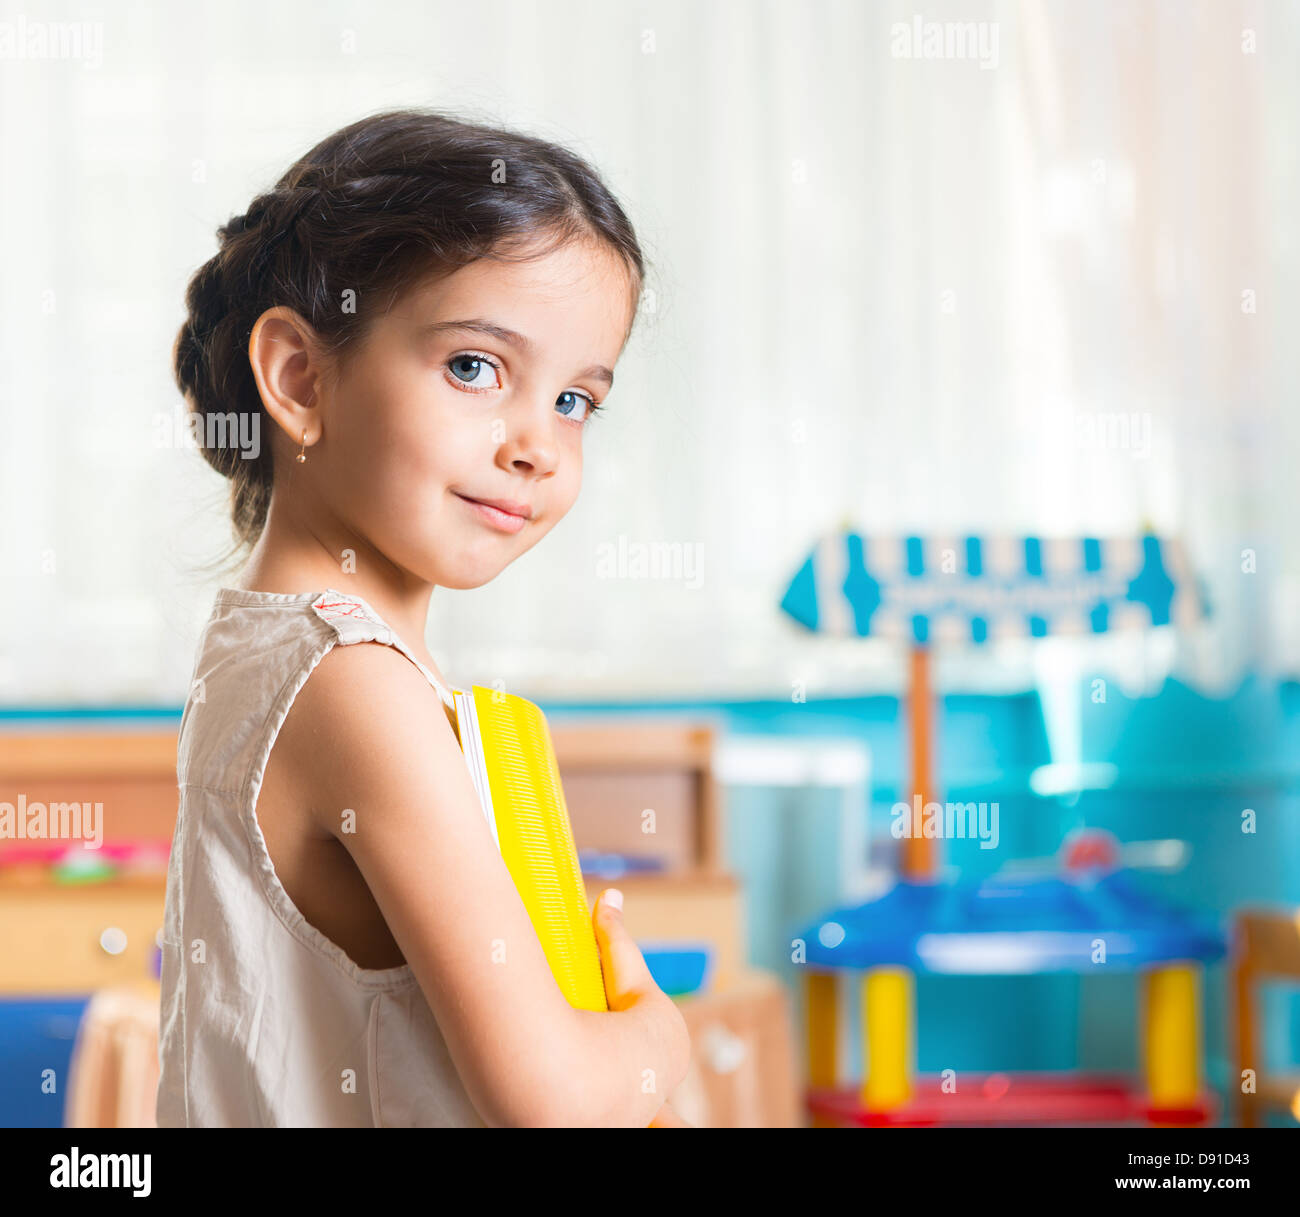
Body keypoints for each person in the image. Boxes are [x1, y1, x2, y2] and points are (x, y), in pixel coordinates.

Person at [156, 108, 691, 1127]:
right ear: (301, 378)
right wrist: (658, 1035)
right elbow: (554, 1095)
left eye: (576, 399)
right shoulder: (354, 680)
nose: (537, 441)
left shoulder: (270, 649)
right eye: (475, 366)